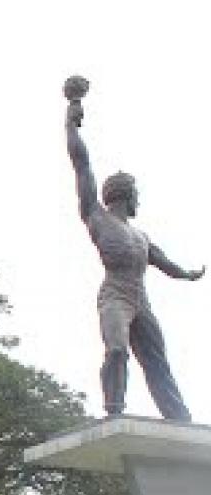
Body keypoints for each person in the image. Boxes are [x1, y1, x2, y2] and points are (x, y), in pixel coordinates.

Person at [64, 75, 204, 421]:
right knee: (116, 350)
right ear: (126, 195)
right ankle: (114, 410)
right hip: (115, 295)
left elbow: (164, 262)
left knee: (157, 360)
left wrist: (188, 274)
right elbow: (81, 164)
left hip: (140, 299)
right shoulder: (96, 216)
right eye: (137, 194)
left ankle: (179, 418)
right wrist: (71, 120)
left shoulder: (140, 236)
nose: (139, 199)